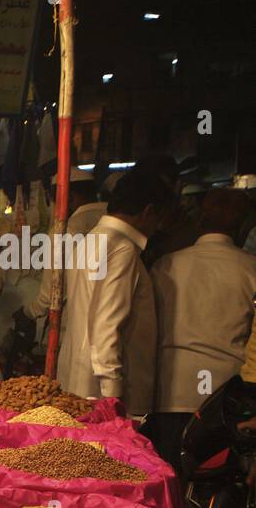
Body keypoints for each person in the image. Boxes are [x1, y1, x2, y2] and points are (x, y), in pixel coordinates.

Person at [147, 189, 256, 467]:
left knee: (168, 485)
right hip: (224, 398)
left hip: (171, 391)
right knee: (211, 485)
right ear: (242, 225)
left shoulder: (166, 265)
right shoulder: (250, 269)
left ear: (199, 221)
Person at [55, 167, 174, 417]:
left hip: (79, 380)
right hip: (103, 393)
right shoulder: (121, 249)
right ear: (148, 211)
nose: (159, 227)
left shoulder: (92, 240)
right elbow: (106, 325)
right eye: (160, 219)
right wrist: (113, 399)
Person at [23, 167, 102, 324]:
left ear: (68, 198)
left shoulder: (65, 231)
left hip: (77, 323)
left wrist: (28, 312)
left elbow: (51, 295)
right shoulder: (115, 220)